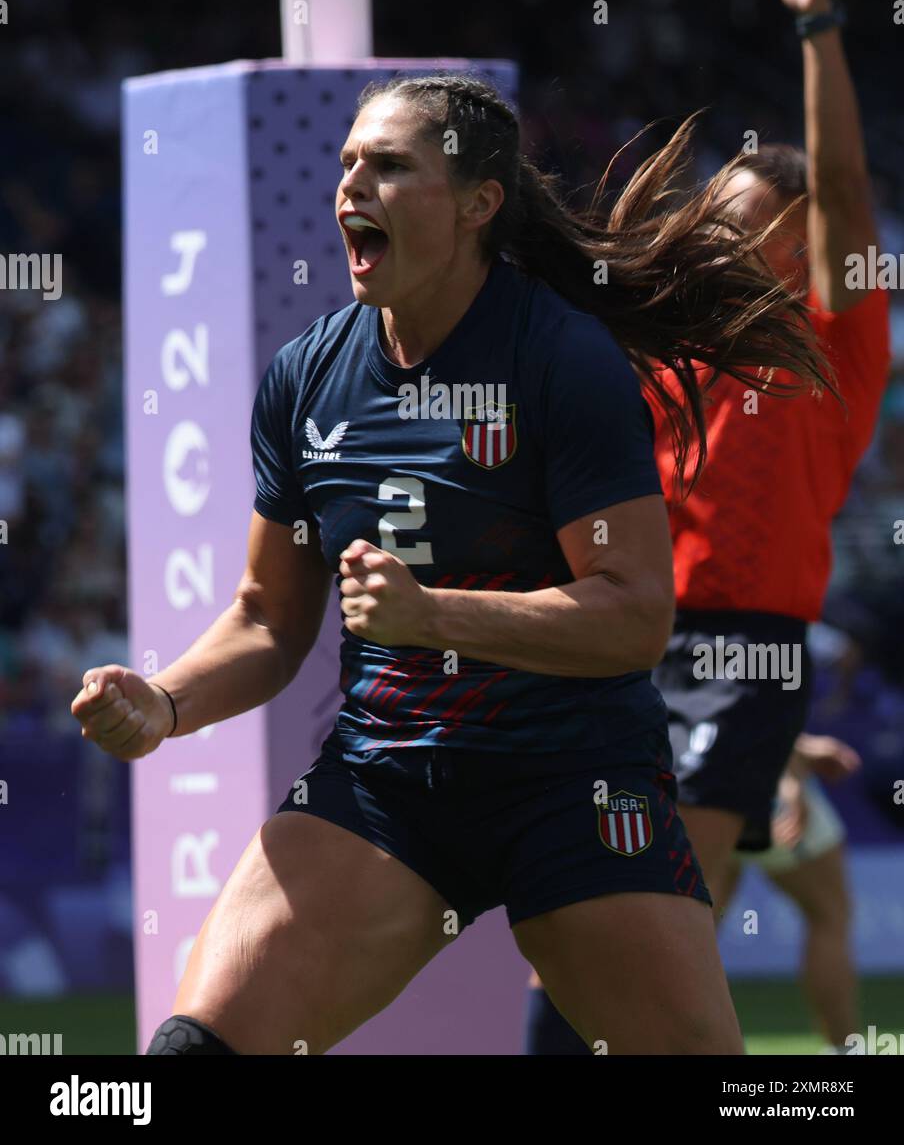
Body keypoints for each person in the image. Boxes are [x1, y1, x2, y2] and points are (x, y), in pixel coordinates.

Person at [74, 69, 827, 1056]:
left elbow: (634, 615)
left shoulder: (563, 357)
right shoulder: (306, 377)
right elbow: (265, 619)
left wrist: (432, 615)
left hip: (576, 783)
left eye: (390, 166)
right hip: (388, 782)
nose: (353, 186)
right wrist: (165, 702)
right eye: (348, 163)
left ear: (478, 204)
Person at [525, 0, 890, 1053]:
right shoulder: (657, 355)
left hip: (741, 656)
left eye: (747, 221)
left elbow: (844, 195)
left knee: (655, 922)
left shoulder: (834, 342)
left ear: (798, 243)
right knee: (587, 925)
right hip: (622, 638)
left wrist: (815, 26)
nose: (718, 233)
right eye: (712, 214)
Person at [725, 733, 862, 1054]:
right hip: (764, 780)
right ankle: (844, 1049)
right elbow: (750, 713)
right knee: (829, 916)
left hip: (693, 790)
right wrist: (793, 768)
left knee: (691, 928)